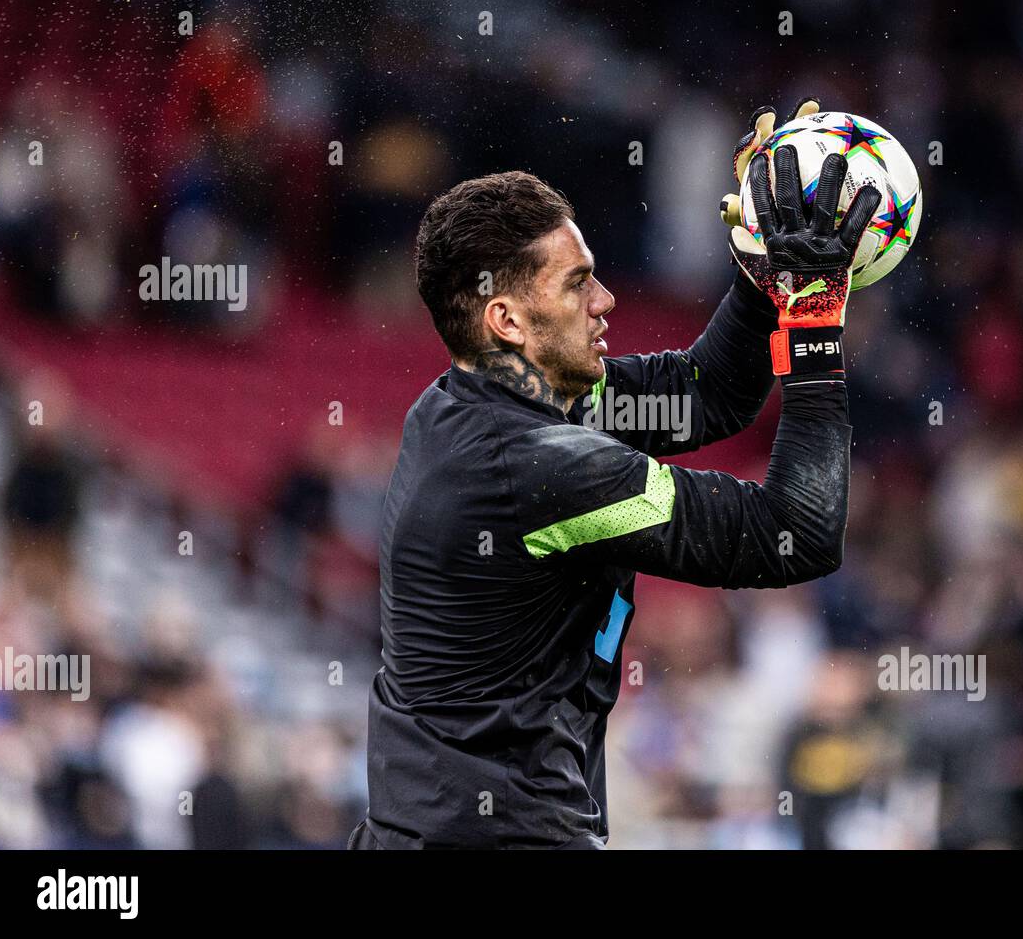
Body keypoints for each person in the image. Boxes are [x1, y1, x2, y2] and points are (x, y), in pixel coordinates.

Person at [351, 99, 885, 848]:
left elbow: (707, 394)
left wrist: (761, 273)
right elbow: (796, 535)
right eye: (577, 284)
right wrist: (816, 323)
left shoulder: (496, 398)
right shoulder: (542, 469)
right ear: (506, 320)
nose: (606, 302)